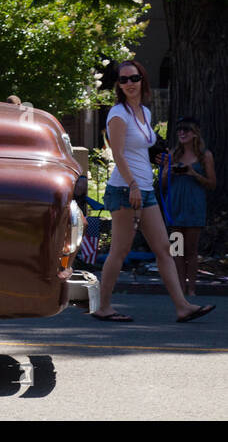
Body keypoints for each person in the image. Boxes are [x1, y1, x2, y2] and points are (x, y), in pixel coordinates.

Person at [91, 60, 214, 323]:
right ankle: (103, 307)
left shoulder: (145, 113)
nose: (129, 84)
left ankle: (182, 306)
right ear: (118, 85)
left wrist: (156, 159)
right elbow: (118, 154)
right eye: (123, 80)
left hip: (145, 190)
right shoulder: (118, 114)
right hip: (125, 190)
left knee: (164, 248)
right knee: (119, 251)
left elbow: (140, 150)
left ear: (142, 79)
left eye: (133, 78)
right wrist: (133, 185)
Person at [164, 116, 216, 297]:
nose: (182, 133)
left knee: (191, 251)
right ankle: (180, 288)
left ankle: (192, 288)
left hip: (194, 208)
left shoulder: (205, 156)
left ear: (195, 133)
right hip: (175, 209)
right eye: (179, 130)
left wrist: (193, 173)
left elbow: (212, 183)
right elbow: (162, 184)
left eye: (186, 130)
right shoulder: (173, 154)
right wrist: (167, 171)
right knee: (176, 249)